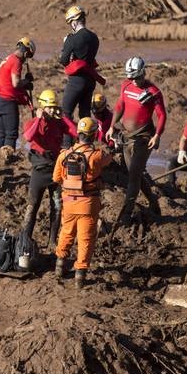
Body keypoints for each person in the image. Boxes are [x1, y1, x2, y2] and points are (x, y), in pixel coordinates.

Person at [52, 117, 112, 289]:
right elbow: (109, 158)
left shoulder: (64, 154)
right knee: (85, 239)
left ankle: (59, 266)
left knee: (66, 233)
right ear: (93, 135)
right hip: (89, 203)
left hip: (69, 202)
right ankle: (80, 275)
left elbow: (56, 178)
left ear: (78, 134)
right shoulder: (96, 156)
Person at [106, 56, 165, 223]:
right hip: (126, 136)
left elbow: (162, 115)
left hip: (144, 137)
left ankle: (126, 213)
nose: (135, 81)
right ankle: (154, 203)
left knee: (133, 175)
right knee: (135, 173)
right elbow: (119, 106)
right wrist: (112, 126)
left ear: (143, 73)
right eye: (131, 78)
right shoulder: (126, 85)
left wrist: (157, 135)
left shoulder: (153, 92)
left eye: (137, 77)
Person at [21, 89, 78, 247]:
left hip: (55, 170)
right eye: (50, 107)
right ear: (42, 106)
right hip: (39, 171)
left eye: (54, 107)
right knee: (32, 207)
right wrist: (39, 119)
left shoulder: (58, 122)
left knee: (58, 206)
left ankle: (52, 241)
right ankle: (26, 239)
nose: (52, 110)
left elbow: (75, 132)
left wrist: (64, 118)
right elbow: (28, 137)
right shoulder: (32, 123)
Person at [58, 5, 104, 146]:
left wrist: (66, 44)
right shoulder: (94, 38)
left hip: (76, 81)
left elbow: (63, 60)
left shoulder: (72, 39)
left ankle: (66, 145)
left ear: (74, 22)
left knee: (66, 112)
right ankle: (86, 143)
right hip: (90, 80)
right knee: (84, 113)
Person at [0, 37, 36, 154]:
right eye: (28, 56)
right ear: (26, 52)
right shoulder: (17, 61)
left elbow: (8, 81)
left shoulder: (8, 58)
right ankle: (7, 159)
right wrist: (26, 82)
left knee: (1, 133)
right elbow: (15, 83)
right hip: (8, 101)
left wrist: (24, 84)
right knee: (11, 134)